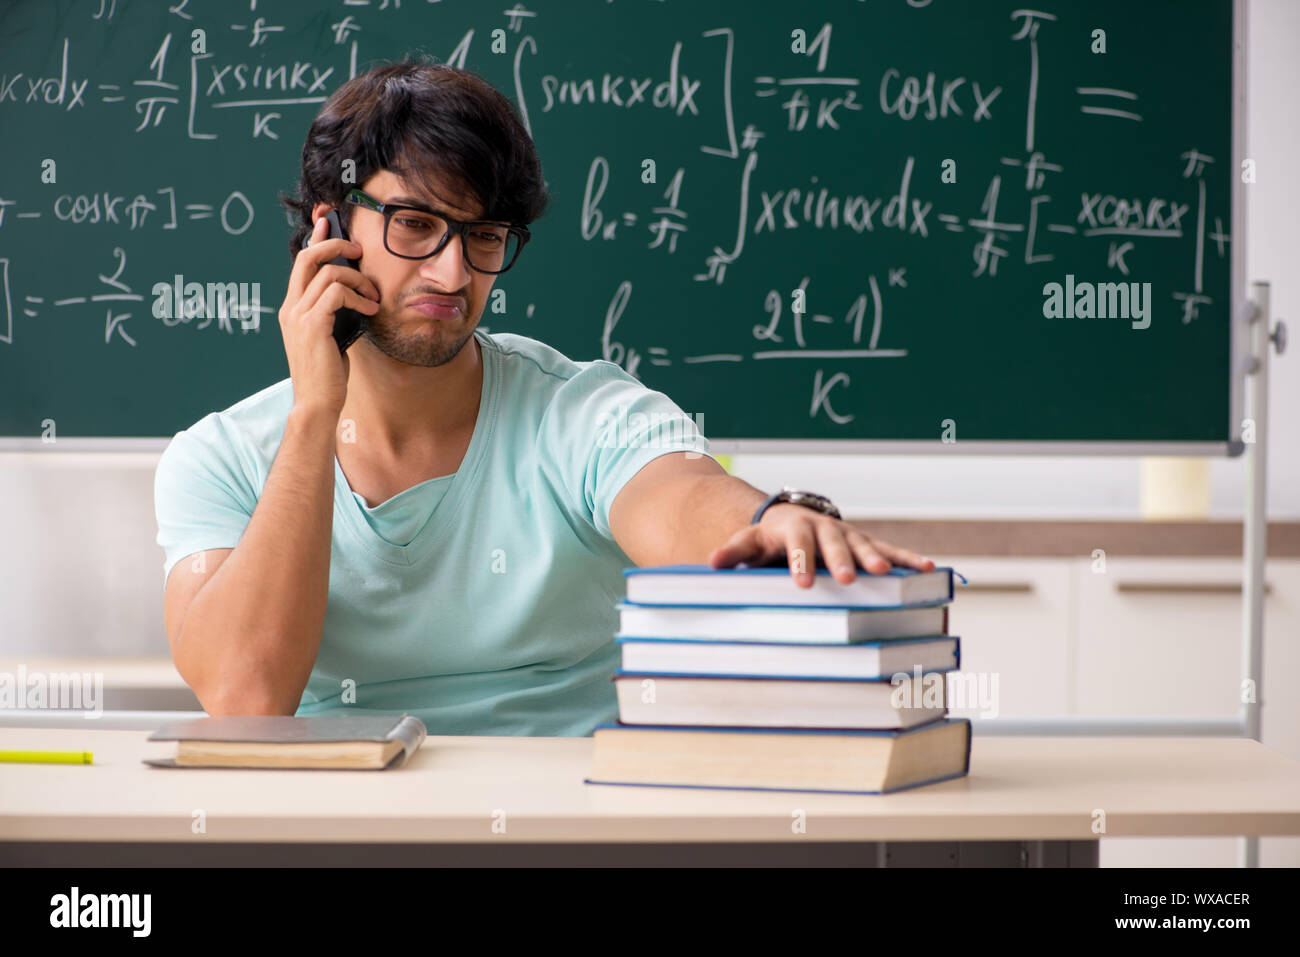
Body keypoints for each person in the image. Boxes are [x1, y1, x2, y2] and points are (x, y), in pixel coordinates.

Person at [154, 60, 934, 735]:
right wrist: (314, 414)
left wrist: (770, 520)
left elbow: (682, 498)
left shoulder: (578, 412)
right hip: (348, 832)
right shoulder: (219, 458)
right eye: (417, 225)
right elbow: (246, 695)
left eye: (484, 236)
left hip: (571, 826)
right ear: (329, 227)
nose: (454, 275)